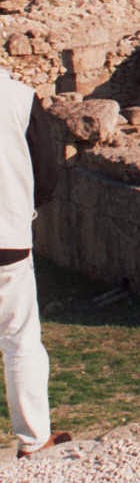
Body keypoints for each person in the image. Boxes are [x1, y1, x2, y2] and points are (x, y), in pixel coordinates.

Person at [0, 65, 67, 458]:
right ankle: (34, 438)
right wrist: (27, 205)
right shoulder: (21, 97)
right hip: (7, 235)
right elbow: (46, 171)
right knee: (21, 339)